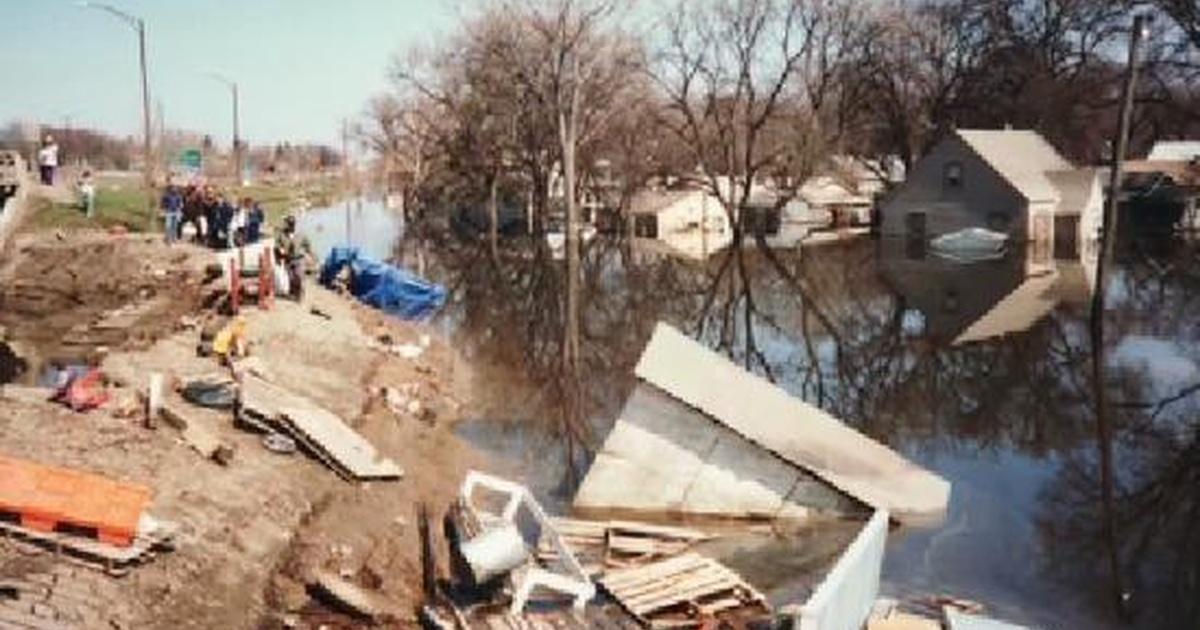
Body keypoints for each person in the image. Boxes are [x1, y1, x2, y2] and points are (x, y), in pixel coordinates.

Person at [275, 215, 311, 300]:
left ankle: (300, 295)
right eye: (289, 224)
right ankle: (293, 293)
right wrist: (279, 256)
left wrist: (309, 255)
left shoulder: (301, 234)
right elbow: (277, 246)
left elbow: (308, 245)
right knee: (291, 277)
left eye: (292, 224)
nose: (291, 226)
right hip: (288, 258)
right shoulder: (282, 235)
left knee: (299, 276)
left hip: (299, 258)